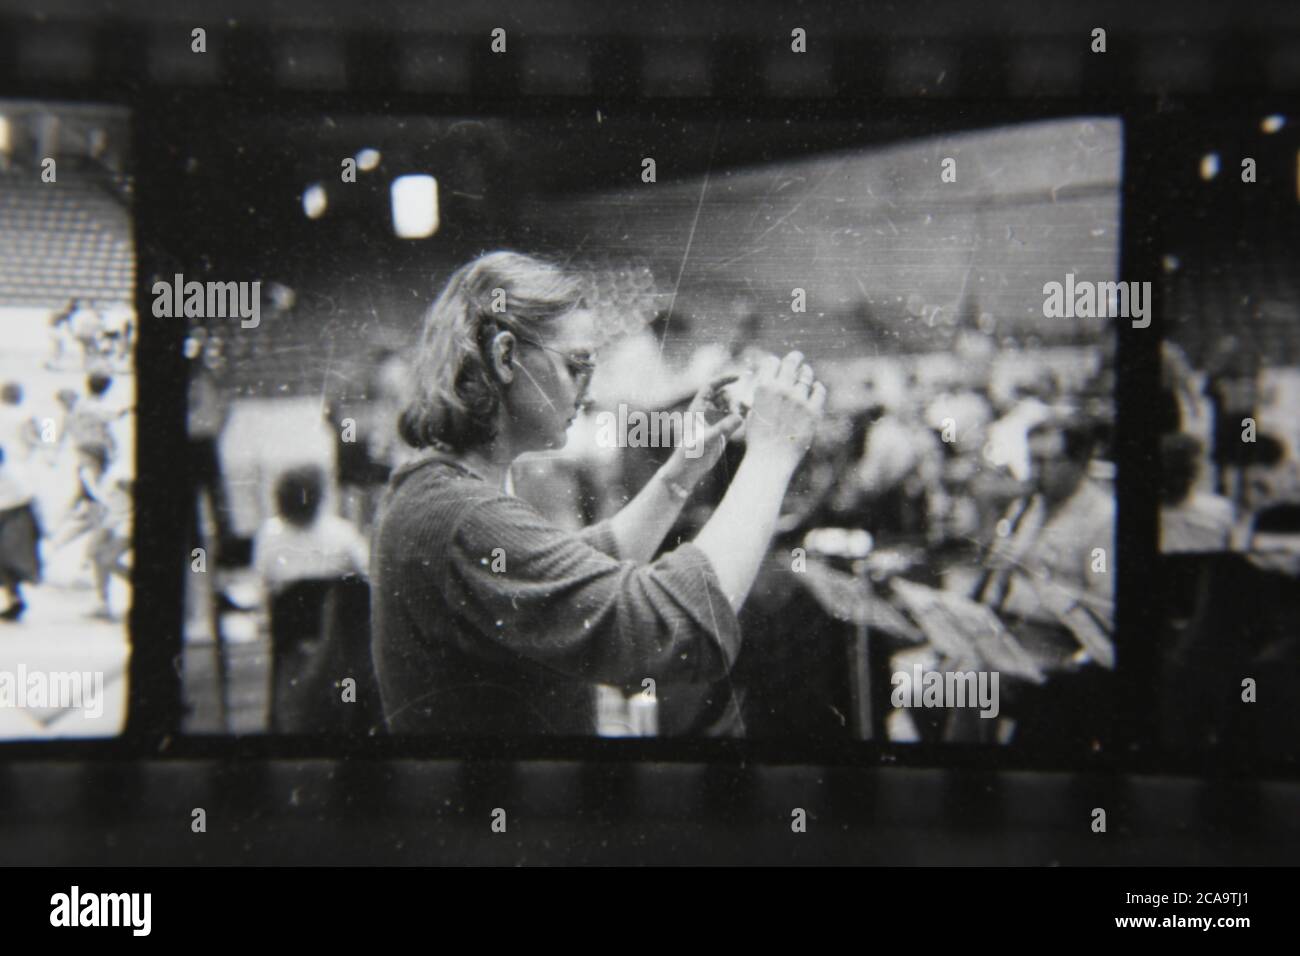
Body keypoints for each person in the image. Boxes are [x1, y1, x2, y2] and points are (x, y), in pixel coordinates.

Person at [371, 251, 825, 736]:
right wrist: (772, 456)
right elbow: (666, 628)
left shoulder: (436, 491)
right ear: (505, 356)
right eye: (576, 366)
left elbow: (583, 567)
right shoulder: (461, 516)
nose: (587, 392)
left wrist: (684, 469)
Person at [0, 445, 43, 622]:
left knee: (6, 562)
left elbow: (27, 501)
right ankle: (14, 600)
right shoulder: (12, 476)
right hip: (16, 522)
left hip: (15, 522)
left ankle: (15, 600)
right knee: (5, 564)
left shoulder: (11, 477)